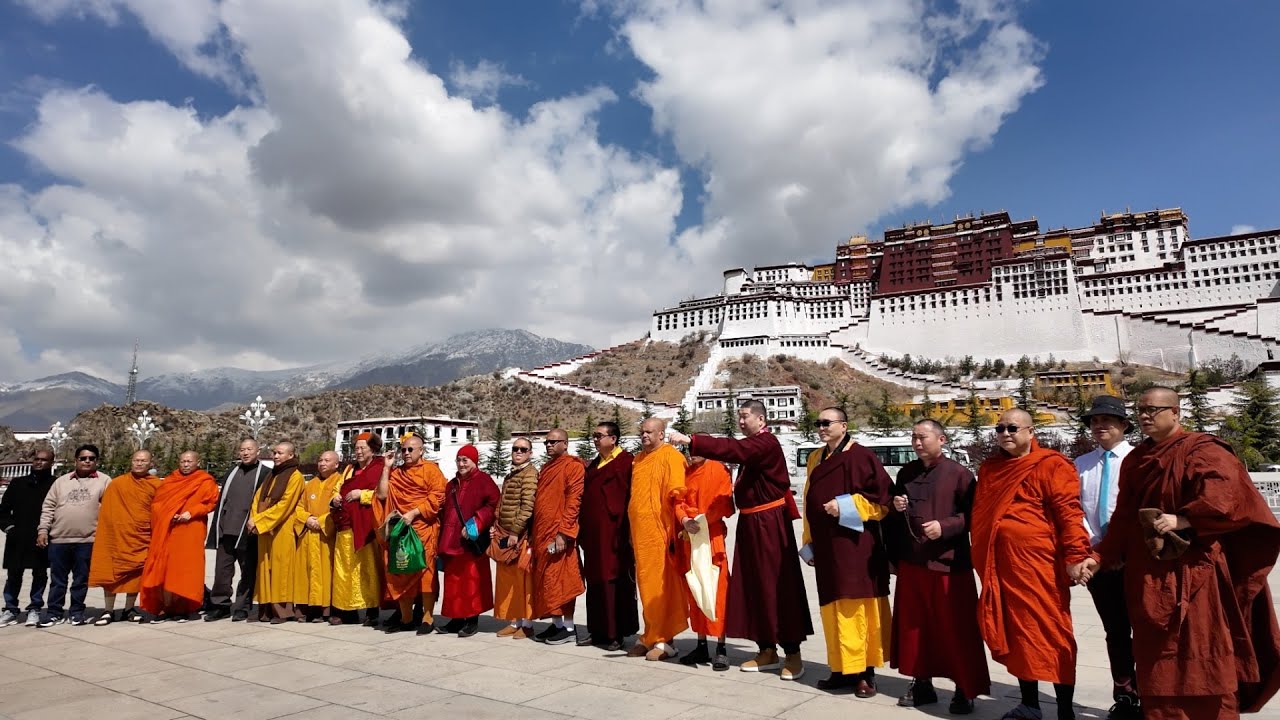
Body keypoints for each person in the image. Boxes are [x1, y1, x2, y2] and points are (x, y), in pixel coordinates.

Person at [1085, 387, 1280, 720]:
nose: (1144, 416)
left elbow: (1227, 499)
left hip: (1195, 572)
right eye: (1140, 410)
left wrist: (1186, 518)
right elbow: (1124, 519)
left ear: (1175, 412)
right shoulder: (1136, 460)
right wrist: (1100, 556)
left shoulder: (1203, 450)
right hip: (1147, 574)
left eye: (1152, 410)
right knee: (1155, 658)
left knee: (1202, 648)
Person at [669, 400, 812, 681]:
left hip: (770, 522)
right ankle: (767, 649)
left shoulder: (765, 443)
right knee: (753, 585)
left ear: (761, 420)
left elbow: (734, 449)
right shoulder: (753, 448)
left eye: (746, 416)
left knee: (778, 585)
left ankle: (793, 653)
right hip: (750, 523)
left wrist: (691, 440)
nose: (742, 421)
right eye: (740, 417)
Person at [971, 408, 1091, 720]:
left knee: (1052, 633)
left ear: (1030, 431)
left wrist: (1075, 556)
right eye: (1000, 429)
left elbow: (1069, 513)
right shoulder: (991, 468)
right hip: (1001, 567)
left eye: (1012, 428)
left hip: (1039, 567)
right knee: (1016, 635)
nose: (1005, 434)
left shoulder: (1051, 464)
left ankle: (1064, 710)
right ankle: (1029, 705)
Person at [887, 419, 990, 714]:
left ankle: (964, 689)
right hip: (913, 562)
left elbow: (974, 516)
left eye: (923, 437)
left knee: (956, 628)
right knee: (916, 627)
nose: (917, 443)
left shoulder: (959, 475)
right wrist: (896, 506)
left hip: (949, 564)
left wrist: (945, 526)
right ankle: (922, 683)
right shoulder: (906, 472)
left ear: (942, 440)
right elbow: (895, 512)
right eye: (914, 438)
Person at [800, 407, 892, 696]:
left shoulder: (861, 456)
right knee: (832, 608)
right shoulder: (816, 458)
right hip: (826, 546)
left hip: (855, 546)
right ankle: (841, 669)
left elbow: (883, 503)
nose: (821, 428)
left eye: (827, 423)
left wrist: (846, 506)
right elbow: (809, 501)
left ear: (844, 425)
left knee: (858, 608)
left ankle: (865, 673)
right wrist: (808, 541)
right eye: (818, 423)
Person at [1072, 396, 1140, 718]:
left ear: (1124, 425)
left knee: (1146, 630)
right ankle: (1125, 694)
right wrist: (1092, 548)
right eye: (1094, 421)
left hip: (1135, 560)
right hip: (1097, 561)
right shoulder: (1081, 464)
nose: (1099, 426)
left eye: (1107, 420)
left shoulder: (1138, 460)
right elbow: (1075, 509)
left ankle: (1151, 692)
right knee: (1115, 631)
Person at [626, 417, 694, 661]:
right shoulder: (638, 460)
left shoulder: (671, 456)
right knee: (646, 586)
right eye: (642, 432)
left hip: (662, 534)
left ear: (662, 434)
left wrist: (677, 529)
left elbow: (678, 495)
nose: (644, 435)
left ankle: (667, 639)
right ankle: (650, 634)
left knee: (663, 587)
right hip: (641, 534)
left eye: (649, 432)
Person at [375, 431, 446, 635]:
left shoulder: (431, 470)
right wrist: (386, 467)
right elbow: (382, 494)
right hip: (401, 531)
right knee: (400, 571)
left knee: (426, 574)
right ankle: (406, 618)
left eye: (410, 449)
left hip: (424, 528)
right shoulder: (397, 473)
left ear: (421, 451)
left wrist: (414, 512)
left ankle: (427, 617)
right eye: (403, 450)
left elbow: (438, 497)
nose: (406, 453)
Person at [578, 421, 638, 650]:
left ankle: (616, 633)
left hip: (616, 534)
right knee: (595, 581)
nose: (595, 439)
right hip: (594, 536)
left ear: (613, 439)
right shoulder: (595, 465)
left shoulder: (626, 462)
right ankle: (597, 631)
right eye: (594, 435)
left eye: (599, 436)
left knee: (615, 581)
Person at [138, 451, 219, 621]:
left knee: (187, 569)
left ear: (198, 462)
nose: (186, 465)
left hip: (191, 531)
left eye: (189, 461)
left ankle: (184, 607)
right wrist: (168, 514)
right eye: (183, 461)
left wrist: (192, 512)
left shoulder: (205, 480)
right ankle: (166, 606)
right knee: (167, 570)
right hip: (169, 530)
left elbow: (210, 502)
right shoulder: (170, 481)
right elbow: (157, 504)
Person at [36, 444, 111, 627]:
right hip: (59, 539)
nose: (87, 461)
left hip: (88, 540)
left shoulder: (105, 481)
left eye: (91, 458)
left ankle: (77, 612)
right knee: (57, 581)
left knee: (80, 580)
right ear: (76, 460)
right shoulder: (61, 481)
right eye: (83, 458)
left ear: (96, 461)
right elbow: (48, 507)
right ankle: (54, 612)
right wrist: (43, 530)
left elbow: (111, 509)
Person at [88, 449, 162, 624]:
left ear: (150, 464)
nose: (139, 463)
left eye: (143, 461)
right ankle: (108, 610)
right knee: (111, 574)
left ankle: (129, 608)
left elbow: (160, 510)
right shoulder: (117, 484)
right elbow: (107, 512)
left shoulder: (156, 484)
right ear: (131, 461)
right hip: (118, 536)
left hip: (141, 536)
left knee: (135, 575)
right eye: (136, 460)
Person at [678, 453, 734, 671]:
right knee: (696, 588)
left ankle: (721, 648)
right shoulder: (686, 472)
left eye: (697, 449)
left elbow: (724, 502)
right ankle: (701, 644)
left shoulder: (718, 470)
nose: (692, 454)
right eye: (690, 449)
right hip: (690, 536)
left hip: (712, 536)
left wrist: (700, 519)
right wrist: (684, 519)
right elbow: (678, 500)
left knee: (718, 591)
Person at [436, 444, 499, 637]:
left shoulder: (484, 480)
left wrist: (476, 523)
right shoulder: (452, 485)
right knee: (453, 583)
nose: (461, 464)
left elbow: (493, 504)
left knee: (472, 581)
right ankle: (456, 619)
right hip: (452, 540)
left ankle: (472, 620)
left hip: (472, 541)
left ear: (474, 461)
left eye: (466, 460)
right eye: (459, 460)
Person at [205, 437, 271, 622]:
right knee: (222, 571)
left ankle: (242, 606)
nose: (245, 453)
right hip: (226, 530)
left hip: (248, 532)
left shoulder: (265, 474)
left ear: (258, 451)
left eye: (249, 449)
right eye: (242, 450)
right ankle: (221, 605)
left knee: (247, 571)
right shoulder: (232, 471)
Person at [530, 429, 586, 645]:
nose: (549, 445)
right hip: (543, 533)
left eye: (554, 442)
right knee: (548, 581)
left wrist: (564, 533)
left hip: (560, 534)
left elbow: (574, 501)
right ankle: (557, 624)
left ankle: (569, 628)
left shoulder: (573, 466)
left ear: (566, 444)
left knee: (563, 581)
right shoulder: (546, 468)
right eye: (547, 442)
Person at [330, 432, 384, 625]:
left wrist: (362, 494)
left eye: (363, 448)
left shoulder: (380, 468)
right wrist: (335, 498)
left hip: (366, 527)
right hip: (346, 525)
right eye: (356, 448)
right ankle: (346, 610)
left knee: (367, 569)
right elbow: (337, 488)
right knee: (344, 569)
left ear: (373, 449)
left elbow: (385, 493)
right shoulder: (349, 470)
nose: (358, 451)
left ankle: (371, 610)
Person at [250, 441, 306, 623]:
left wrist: (259, 520)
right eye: (274, 453)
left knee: (282, 570)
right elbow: (257, 499)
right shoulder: (272, 474)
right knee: (265, 568)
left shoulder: (295, 476)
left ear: (291, 455)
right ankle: (266, 610)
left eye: (280, 453)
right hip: (265, 529)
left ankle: (282, 611)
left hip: (282, 528)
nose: (275, 456)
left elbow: (285, 505)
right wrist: (253, 518)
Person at [0, 450, 56, 628]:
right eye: (36, 459)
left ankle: (35, 608)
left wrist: (49, 532)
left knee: (39, 573)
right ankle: (10, 609)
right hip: (17, 537)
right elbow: (3, 510)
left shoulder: (55, 484)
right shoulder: (18, 483)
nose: (39, 462)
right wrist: (9, 529)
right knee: (14, 575)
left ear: (51, 463)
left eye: (44, 460)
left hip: (41, 536)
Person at [493, 437, 538, 639]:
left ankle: (527, 624)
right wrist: (496, 525)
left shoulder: (530, 474)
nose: (518, 452)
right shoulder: (512, 473)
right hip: (505, 533)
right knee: (510, 581)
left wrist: (515, 532)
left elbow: (528, 506)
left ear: (530, 453)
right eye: (515, 449)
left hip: (521, 536)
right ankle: (514, 621)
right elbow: (502, 502)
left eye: (523, 449)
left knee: (523, 581)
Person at [292, 450, 344, 623]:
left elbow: (340, 509)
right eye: (320, 460)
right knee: (306, 573)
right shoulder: (310, 484)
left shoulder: (340, 482)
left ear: (336, 464)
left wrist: (321, 521)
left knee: (326, 574)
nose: (322, 463)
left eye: (327, 460)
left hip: (327, 536)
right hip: (308, 534)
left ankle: (326, 610)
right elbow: (298, 507)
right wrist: (306, 519)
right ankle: (307, 610)